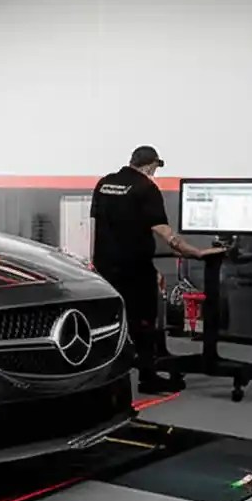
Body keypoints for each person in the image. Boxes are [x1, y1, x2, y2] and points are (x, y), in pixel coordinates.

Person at [90, 145, 225, 394]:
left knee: (112, 320)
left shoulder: (104, 183)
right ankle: (147, 377)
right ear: (151, 165)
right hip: (135, 267)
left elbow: (96, 227)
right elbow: (163, 231)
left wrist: (94, 263)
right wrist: (194, 252)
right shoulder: (146, 188)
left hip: (105, 266)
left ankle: (104, 377)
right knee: (144, 321)